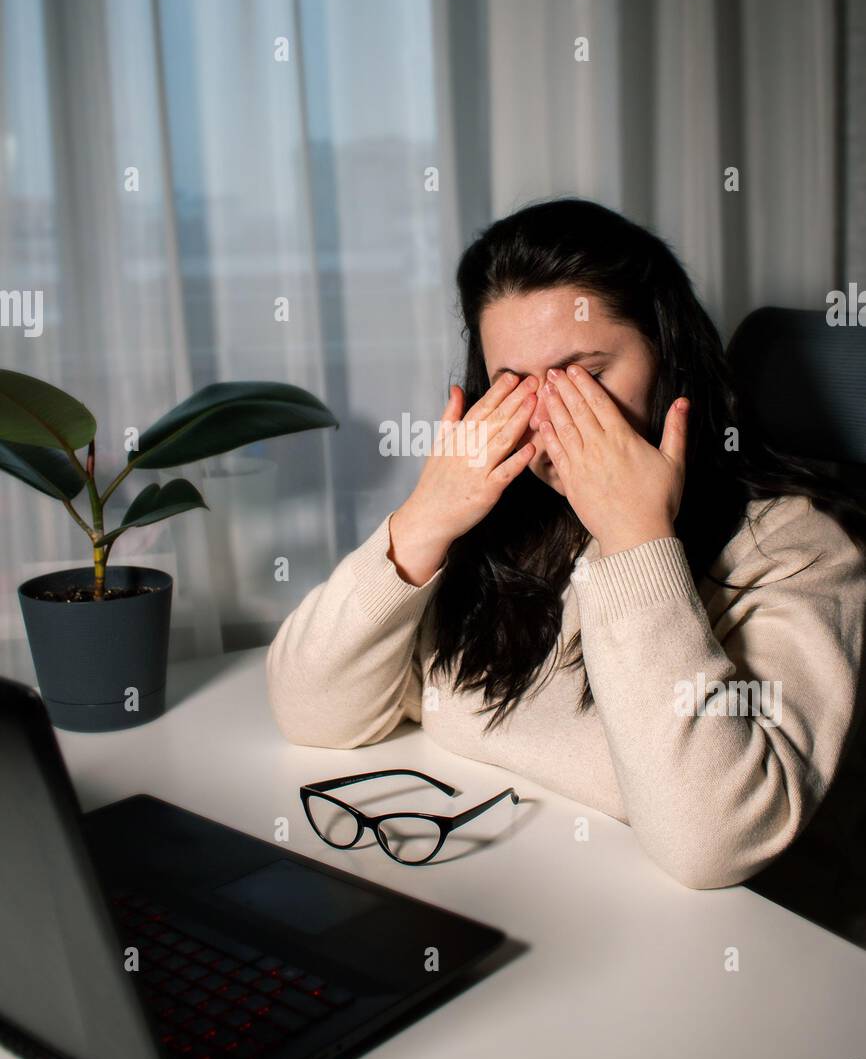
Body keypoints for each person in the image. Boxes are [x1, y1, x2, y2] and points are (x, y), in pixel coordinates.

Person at [266, 198, 866, 908]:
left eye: (585, 375)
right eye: (516, 385)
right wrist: (424, 520)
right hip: (487, 903)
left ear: (670, 363)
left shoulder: (798, 551)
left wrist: (636, 538)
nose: (552, 419)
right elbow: (314, 712)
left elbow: (712, 845)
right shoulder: (503, 516)